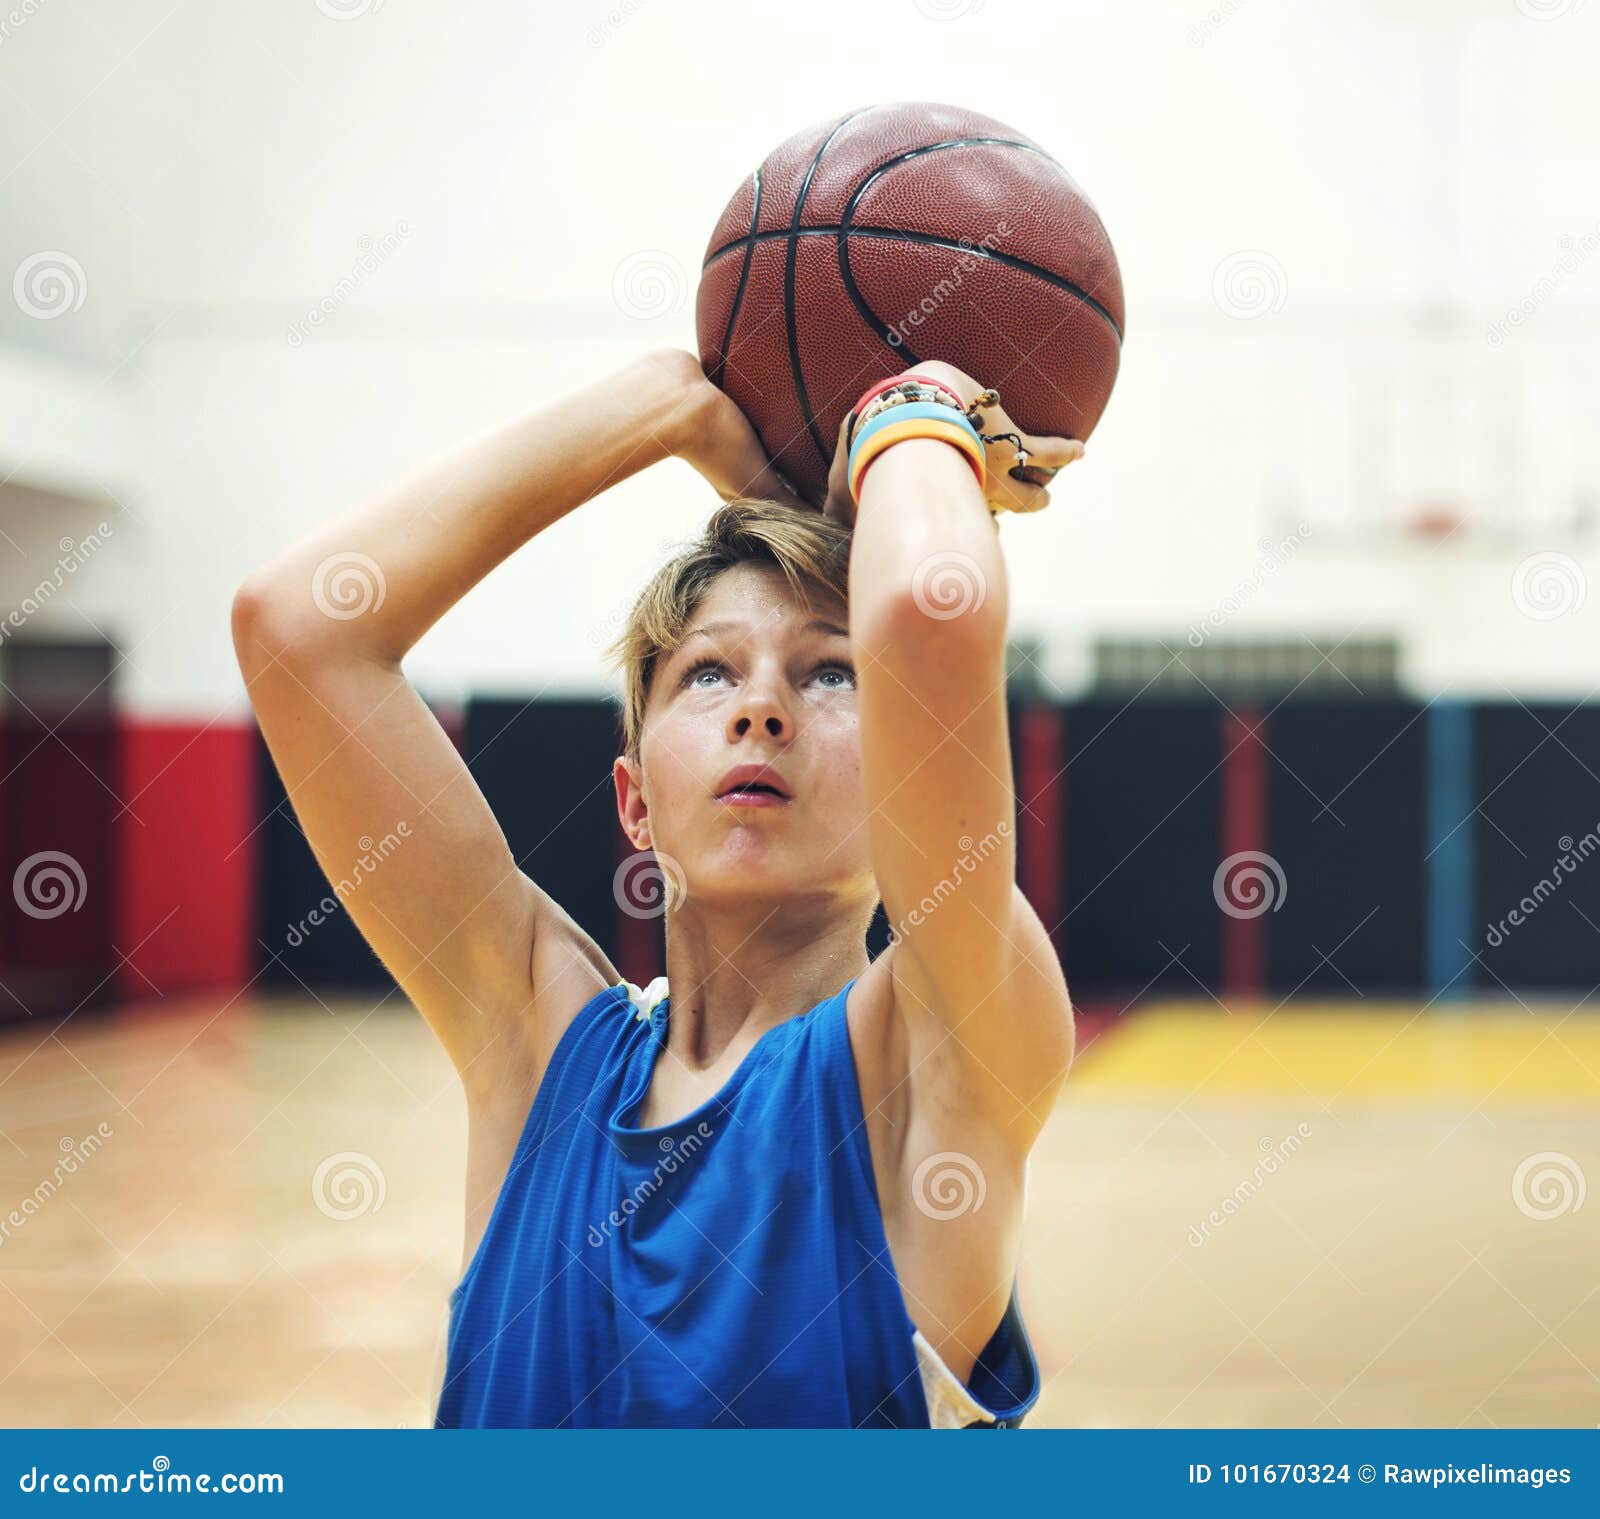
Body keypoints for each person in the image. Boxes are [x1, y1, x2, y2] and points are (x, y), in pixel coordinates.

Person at [231, 349, 1081, 1427]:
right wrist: (672, 403)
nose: (760, 707)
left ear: (906, 779)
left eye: (829, 673)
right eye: (709, 672)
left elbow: (924, 608)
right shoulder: (538, 1049)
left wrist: (911, 406)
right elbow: (297, 629)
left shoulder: (936, 1052)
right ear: (634, 802)